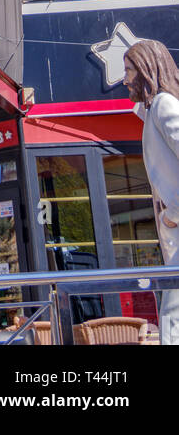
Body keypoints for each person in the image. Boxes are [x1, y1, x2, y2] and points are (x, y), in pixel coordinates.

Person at [123, 40, 179, 344]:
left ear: (147, 69)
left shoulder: (164, 105)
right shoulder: (155, 107)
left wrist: (172, 215)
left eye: (129, 69)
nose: (124, 78)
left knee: (173, 319)